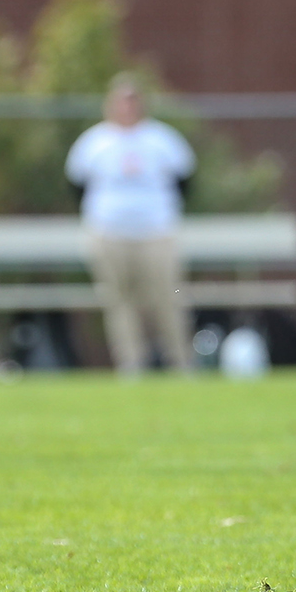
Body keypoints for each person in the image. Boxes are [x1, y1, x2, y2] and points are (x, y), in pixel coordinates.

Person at [66, 74, 198, 375]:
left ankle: (181, 362)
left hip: (156, 233)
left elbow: (185, 180)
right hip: (109, 234)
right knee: (120, 301)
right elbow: (76, 184)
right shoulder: (94, 141)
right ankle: (131, 365)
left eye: (132, 101)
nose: (126, 108)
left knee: (168, 298)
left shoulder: (161, 138)